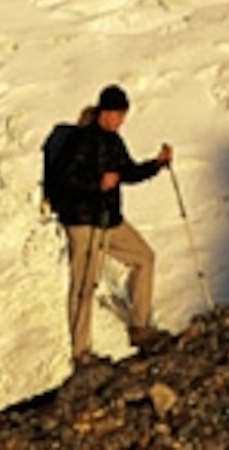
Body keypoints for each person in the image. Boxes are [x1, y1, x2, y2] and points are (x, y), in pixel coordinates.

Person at [48, 82, 173, 366]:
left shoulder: (113, 141)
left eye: (123, 115)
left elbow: (126, 172)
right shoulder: (80, 141)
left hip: (107, 220)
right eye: (118, 114)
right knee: (84, 284)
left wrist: (156, 164)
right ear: (105, 112)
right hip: (83, 223)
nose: (121, 120)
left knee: (144, 257)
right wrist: (97, 183)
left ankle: (140, 327)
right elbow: (64, 180)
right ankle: (81, 353)